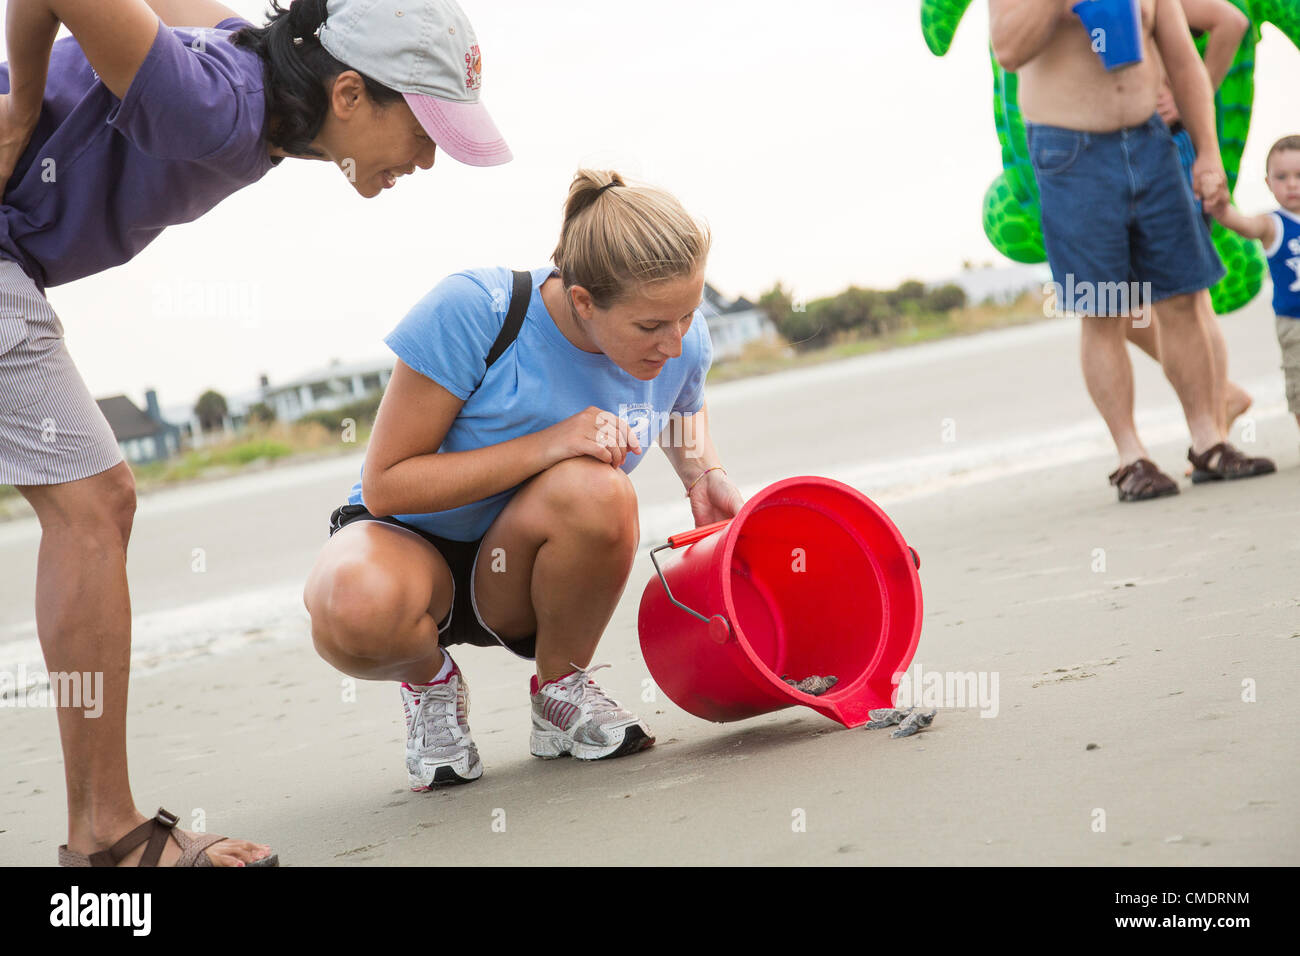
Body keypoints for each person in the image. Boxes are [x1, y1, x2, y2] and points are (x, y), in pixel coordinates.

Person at [0, 0, 510, 867]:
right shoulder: (221, 104)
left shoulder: (255, 67)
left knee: (94, 504)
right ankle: (109, 837)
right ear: (349, 94)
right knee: (96, 503)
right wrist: (20, 103)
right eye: (423, 128)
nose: (428, 159)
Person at [303, 169, 745, 789]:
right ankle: (430, 682)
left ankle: (561, 693)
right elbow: (387, 484)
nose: (674, 342)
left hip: (521, 568)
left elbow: (677, 405)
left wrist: (705, 476)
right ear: (584, 300)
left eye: (687, 316)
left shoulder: (680, 335)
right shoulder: (475, 309)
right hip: (408, 543)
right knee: (354, 607)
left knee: (600, 491)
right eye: (650, 327)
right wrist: (549, 443)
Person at [989, 0, 1274, 502]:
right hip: (1069, 150)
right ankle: (1130, 458)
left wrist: (1207, 151)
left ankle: (1209, 441)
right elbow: (1009, 49)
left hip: (1151, 141)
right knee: (1102, 308)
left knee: (1184, 296)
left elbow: (1182, 60)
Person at [1125, 0, 1254, 434]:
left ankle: (1214, 421)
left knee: (1183, 301)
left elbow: (1230, 21)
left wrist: (1188, 98)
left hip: (1162, 147)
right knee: (1115, 305)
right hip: (1118, 157)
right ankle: (1219, 406)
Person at [1206, 135, 1300, 434]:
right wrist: (1222, 211)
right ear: (1268, 182)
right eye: (1282, 177)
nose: (1292, 184)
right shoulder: (1271, 223)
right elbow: (1244, 225)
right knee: (1297, 381)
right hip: (1293, 324)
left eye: (1299, 175)